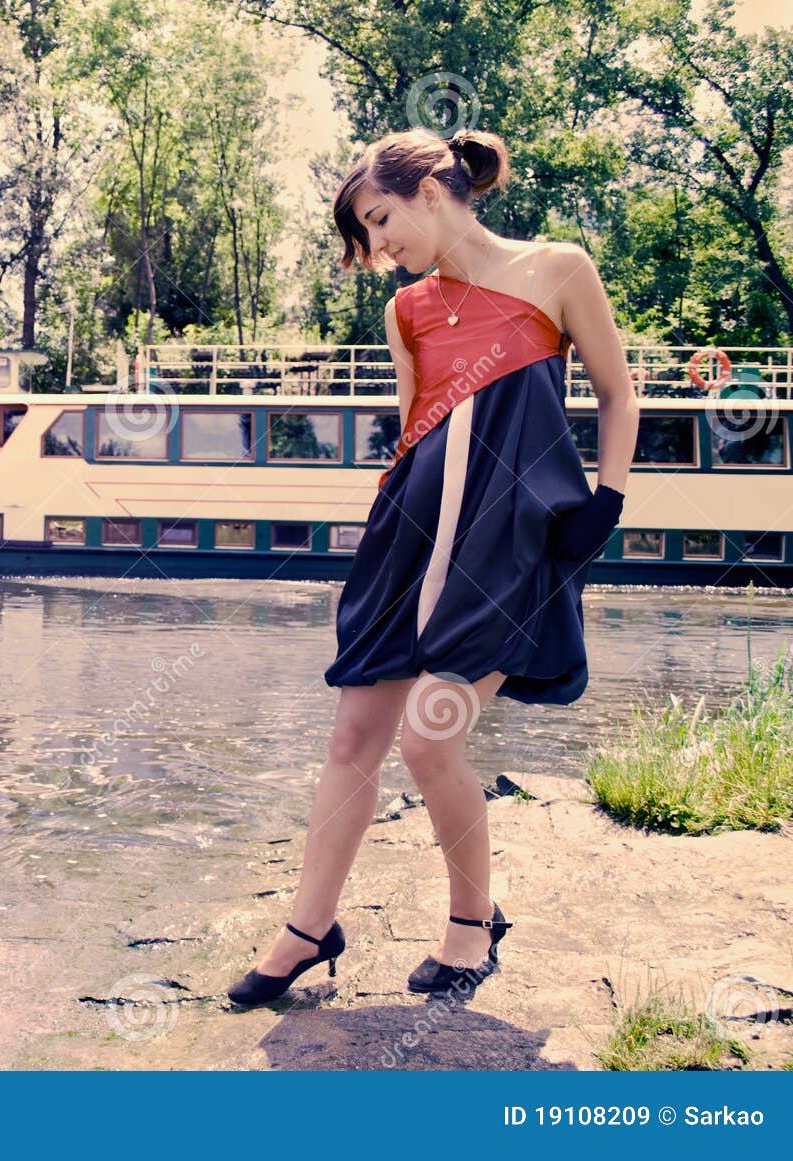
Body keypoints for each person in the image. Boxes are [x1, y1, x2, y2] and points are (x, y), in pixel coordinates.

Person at [227, 128, 639, 1007]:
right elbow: (419, 426)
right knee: (352, 740)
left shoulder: (558, 268)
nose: (380, 251)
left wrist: (608, 499)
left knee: (430, 735)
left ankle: (471, 920)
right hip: (410, 535)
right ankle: (309, 927)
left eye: (380, 223)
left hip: (508, 543)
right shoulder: (406, 310)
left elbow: (617, 393)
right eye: (366, 239)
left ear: (429, 190)